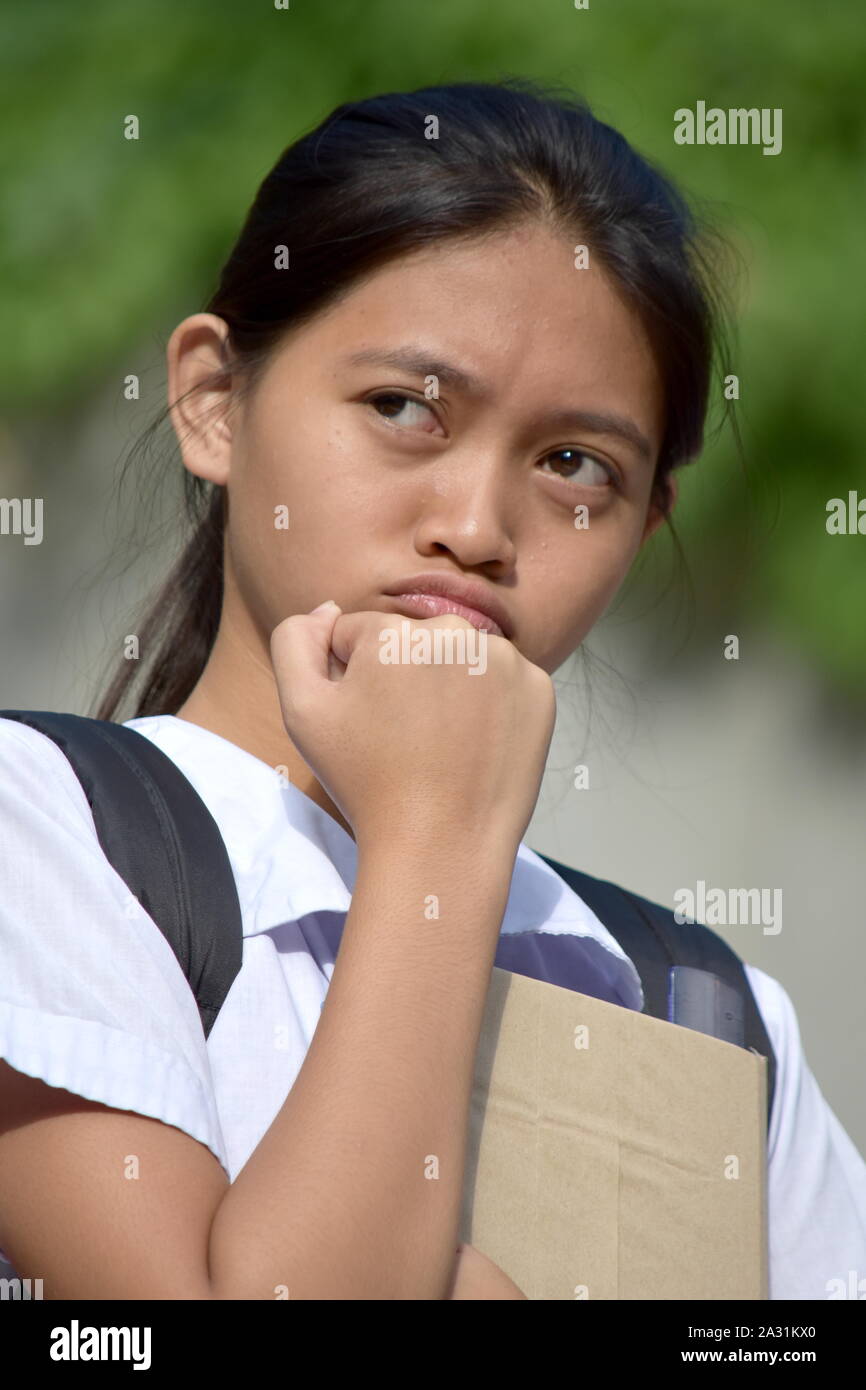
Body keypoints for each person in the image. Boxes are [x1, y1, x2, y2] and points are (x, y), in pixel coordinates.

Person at [1, 78, 864, 1301]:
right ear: (211, 398)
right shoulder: (42, 837)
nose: (474, 528)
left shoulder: (705, 1014)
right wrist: (435, 837)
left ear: (641, 522)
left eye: (574, 465)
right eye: (403, 406)